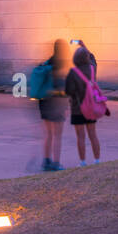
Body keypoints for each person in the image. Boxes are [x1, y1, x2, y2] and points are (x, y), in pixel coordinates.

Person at [66, 44, 109, 165]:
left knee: (80, 136)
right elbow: (92, 58)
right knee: (93, 134)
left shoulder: (73, 72)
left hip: (77, 108)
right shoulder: (92, 69)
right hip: (91, 107)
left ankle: (83, 162)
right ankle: (97, 160)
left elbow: (68, 91)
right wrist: (84, 46)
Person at [32, 38, 71, 171]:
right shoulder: (61, 64)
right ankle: (56, 163)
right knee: (57, 135)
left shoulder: (48, 62)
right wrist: (66, 105)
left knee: (48, 134)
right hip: (56, 103)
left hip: (44, 102)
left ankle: (46, 161)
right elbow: (62, 87)